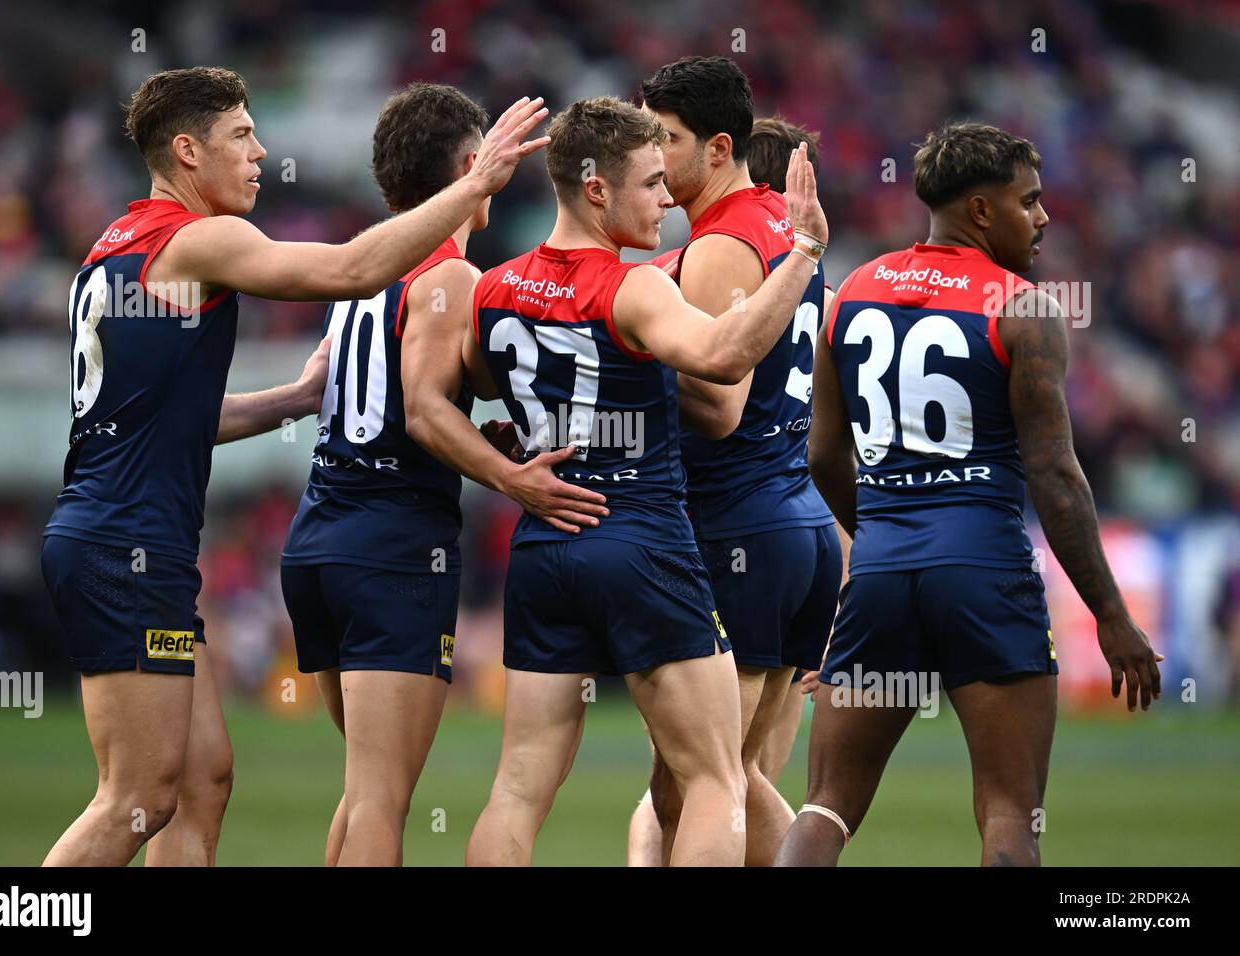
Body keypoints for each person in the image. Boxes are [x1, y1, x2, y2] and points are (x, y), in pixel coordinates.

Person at [39, 65, 549, 866]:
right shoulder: (198, 238)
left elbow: (171, 421)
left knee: (201, 782)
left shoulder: (115, 250)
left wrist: (297, 398)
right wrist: (475, 185)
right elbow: (349, 268)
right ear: (187, 151)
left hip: (123, 535)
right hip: (126, 541)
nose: (260, 154)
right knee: (135, 798)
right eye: (241, 136)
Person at [775, 122, 1163, 867]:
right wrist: (1111, 615)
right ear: (982, 210)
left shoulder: (851, 293)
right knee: (1011, 815)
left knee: (826, 805)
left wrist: (883, 530)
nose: (1043, 218)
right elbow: (1055, 475)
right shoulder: (1025, 309)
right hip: (984, 568)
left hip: (881, 572)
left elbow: (821, 453)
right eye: (1029, 200)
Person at [462, 96, 827, 866]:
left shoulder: (491, 289)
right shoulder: (636, 288)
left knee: (517, 789)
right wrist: (803, 255)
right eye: (652, 183)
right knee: (716, 780)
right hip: (642, 540)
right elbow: (724, 361)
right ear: (597, 188)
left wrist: (508, 462)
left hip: (543, 544)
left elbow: (458, 393)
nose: (667, 200)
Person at [279, 82, 606, 866]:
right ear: (470, 167)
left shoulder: (368, 260)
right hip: (393, 545)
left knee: (364, 790)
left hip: (320, 535)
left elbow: (392, 402)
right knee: (382, 800)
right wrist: (513, 478)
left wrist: (475, 430)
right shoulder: (450, 275)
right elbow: (425, 415)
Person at [631, 57, 843, 866]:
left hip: (738, 527)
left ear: (719, 148)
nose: (650, 156)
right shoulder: (779, 226)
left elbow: (719, 405)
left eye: (665, 138)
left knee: (703, 784)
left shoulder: (722, 243)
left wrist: (617, 377)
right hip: (790, 520)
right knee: (729, 777)